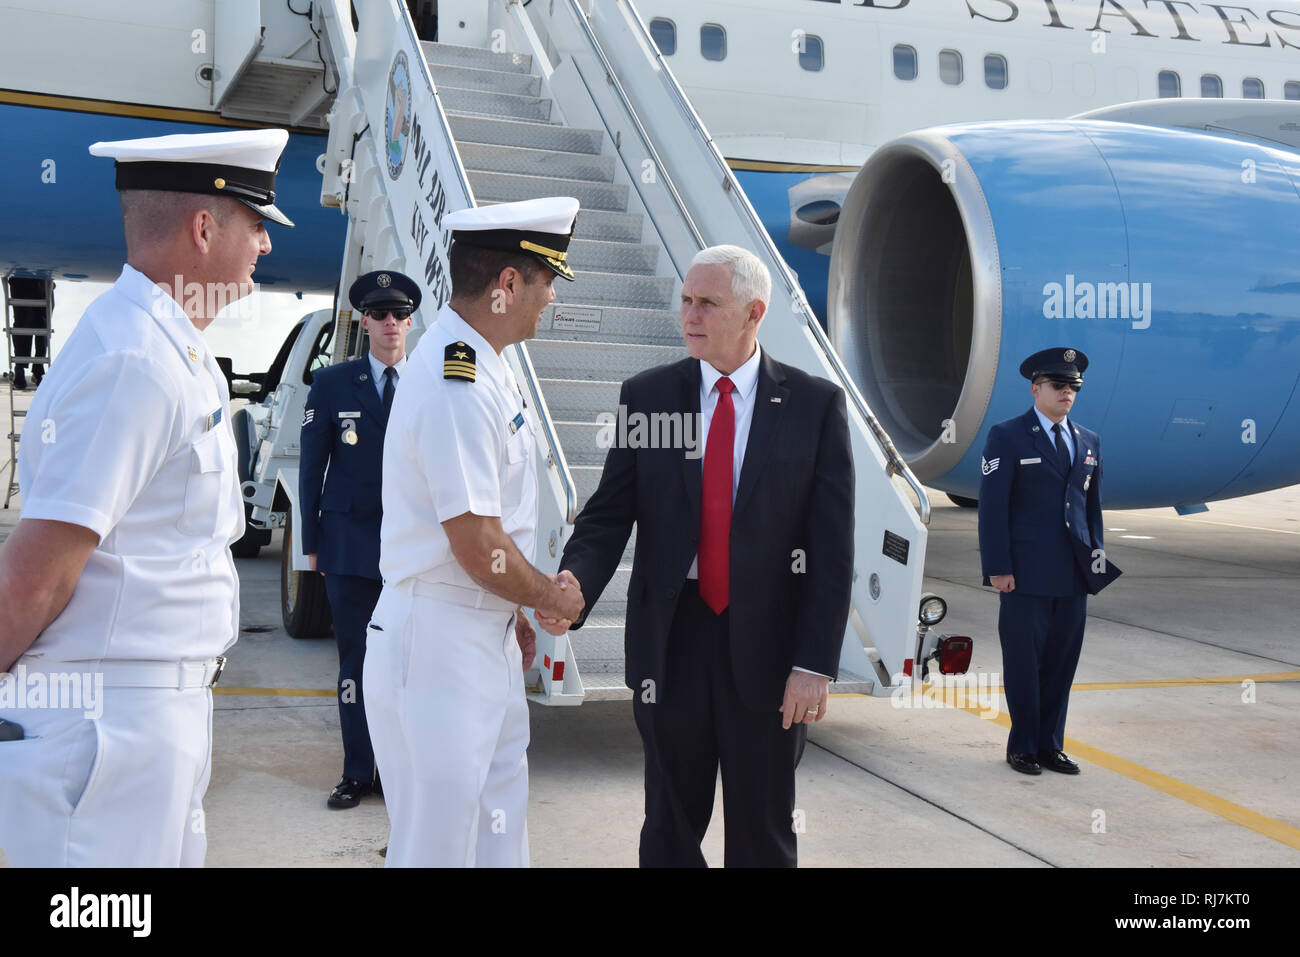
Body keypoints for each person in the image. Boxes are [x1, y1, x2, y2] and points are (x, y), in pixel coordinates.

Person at [0, 128, 293, 866]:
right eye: (257, 224)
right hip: (105, 733)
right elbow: (35, 577)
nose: (264, 244)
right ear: (203, 228)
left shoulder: (170, 347)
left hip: (147, 722)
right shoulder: (134, 359)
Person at [543, 244, 855, 867]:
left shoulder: (815, 406)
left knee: (763, 826)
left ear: (754, 312)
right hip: (673, 639)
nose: (689, 314)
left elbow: (831, 548)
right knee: (669, 823)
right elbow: (609, 513)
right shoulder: (649, 396)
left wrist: (815, 661)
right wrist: (575, 580)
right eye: (686, 300)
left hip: (768, 649)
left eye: (707, 303)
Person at [364, 196, 586, 867]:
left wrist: (512, 606)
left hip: (476, 636)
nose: (550, 297)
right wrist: (547, 596)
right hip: (437, 642)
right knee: (437, 851)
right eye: (547, 281)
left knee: (496, 848)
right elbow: (476, 540)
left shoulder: (488, 362)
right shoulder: (455, 375)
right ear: (508, 284)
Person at [299, 270, 418, 809]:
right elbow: (310, 468)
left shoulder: (431, 384)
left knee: (407, 666)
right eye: (379, 314)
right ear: (364, 321)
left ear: (411, 321)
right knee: (356, 662)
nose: (389, 323)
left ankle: (397, 772)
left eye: (398, 314)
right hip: (348, 547)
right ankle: (355, 772)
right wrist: (311, 542)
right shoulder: (331, 384)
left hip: (414, 549)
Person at [978, 347, 1119, 777]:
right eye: (1059, 386)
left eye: (1073, 387)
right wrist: (998, 567)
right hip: (1024, 576)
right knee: (1024, 663)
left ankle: (1050, 746)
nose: (1067, 394)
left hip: (1072, 576)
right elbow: (993, 508)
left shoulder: (1088, 441)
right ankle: (1022, 745)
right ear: (1035, 388)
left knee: (1061, 663)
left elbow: (1091, 509)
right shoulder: (1009, 436)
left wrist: (1095, 561)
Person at [7, 276, 52, 391]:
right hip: (23, 282)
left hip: (39, 283)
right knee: (24, 322)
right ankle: (20, 369)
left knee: (42, 325)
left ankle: (37, 370)